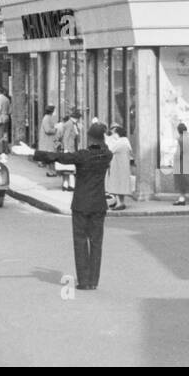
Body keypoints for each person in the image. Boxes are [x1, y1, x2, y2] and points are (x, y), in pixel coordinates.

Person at [16, 123, 114, 290]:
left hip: (81, 203)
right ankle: (93, 281)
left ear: (89, 138)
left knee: (80, 241)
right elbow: (105, 146)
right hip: (98, 205)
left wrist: (32, 152)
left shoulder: (82, 156)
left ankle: (83, 281)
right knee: (97, 243)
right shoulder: (107, 155)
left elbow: (57, 157)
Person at [105, 125, 133, 210]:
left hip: (118, 167)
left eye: (114, 133)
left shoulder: (120, 143)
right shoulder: (125, 142)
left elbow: (110, 150)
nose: (113, 135)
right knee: (120, 185)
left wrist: (108, 140)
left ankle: (120, 204)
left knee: (117, 184)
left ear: (118, 134)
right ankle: (120, 202)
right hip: (121, 166)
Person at [55, 109, 81, 190]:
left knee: (66, 168)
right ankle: (71, 185)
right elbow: (66, 137)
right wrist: (66, 149)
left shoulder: (69, 124)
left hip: (68, 148)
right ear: (76, 118)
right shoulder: (70, 124)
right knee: (71, 168)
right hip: (69, 148)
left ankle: (65, 185)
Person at [38, 105, 59, 176]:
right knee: (50, 157)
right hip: (47, 141)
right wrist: (55, 129)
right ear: (51, 111)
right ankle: (51, 172)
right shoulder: (47, 118)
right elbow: (47, 130)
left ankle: (52, 171)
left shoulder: (48, 118)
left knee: (51, 157)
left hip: (49, 141)